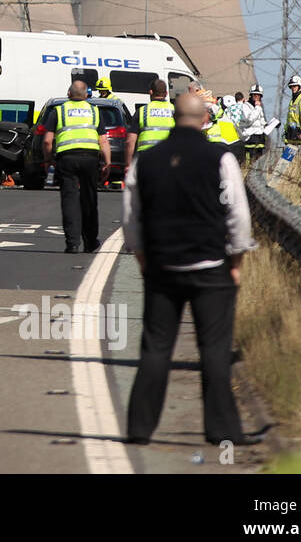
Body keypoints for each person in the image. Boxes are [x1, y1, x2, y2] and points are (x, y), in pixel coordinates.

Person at [123, 93, 259, 447]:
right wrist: (236, 264)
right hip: (211, 266)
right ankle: (222, 429)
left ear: (173, 118)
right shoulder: (221, 158)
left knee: (155, 349)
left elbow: (131, 218)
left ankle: (139, 427)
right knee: (214, 349)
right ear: (204, 120)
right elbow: (238, 216)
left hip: (162, 268)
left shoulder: (146, 160)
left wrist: (143, 262)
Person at [42, 81, 111, 254]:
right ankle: (90, 242)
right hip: (90, 158)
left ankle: (72, 243)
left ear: (68, 93)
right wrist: (107, 163)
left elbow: (47, 141)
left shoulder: (59, 111)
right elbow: (103, 140)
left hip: (67, 158)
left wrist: (48, 160)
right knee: (89, 199)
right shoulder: (94, 111)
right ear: (86, 95)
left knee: (69, 199)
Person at [125, 78, 174, 167]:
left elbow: (130, 141)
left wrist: (128, 164)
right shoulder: (175, 111)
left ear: (151, 92)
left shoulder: (142, 111)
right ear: (166, 94)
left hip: (145, 156)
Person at [240, 85, 267, 160]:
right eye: (254, 94)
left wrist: (267, 125)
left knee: (259, 160)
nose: (256, 96)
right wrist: (257, 108)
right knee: (250, 161)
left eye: (258, 95)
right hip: (250, 137)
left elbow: (261, 121)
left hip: (259, 137)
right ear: (251, 95)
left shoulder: (258, 107)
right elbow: (249, 120)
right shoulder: (246, 106)